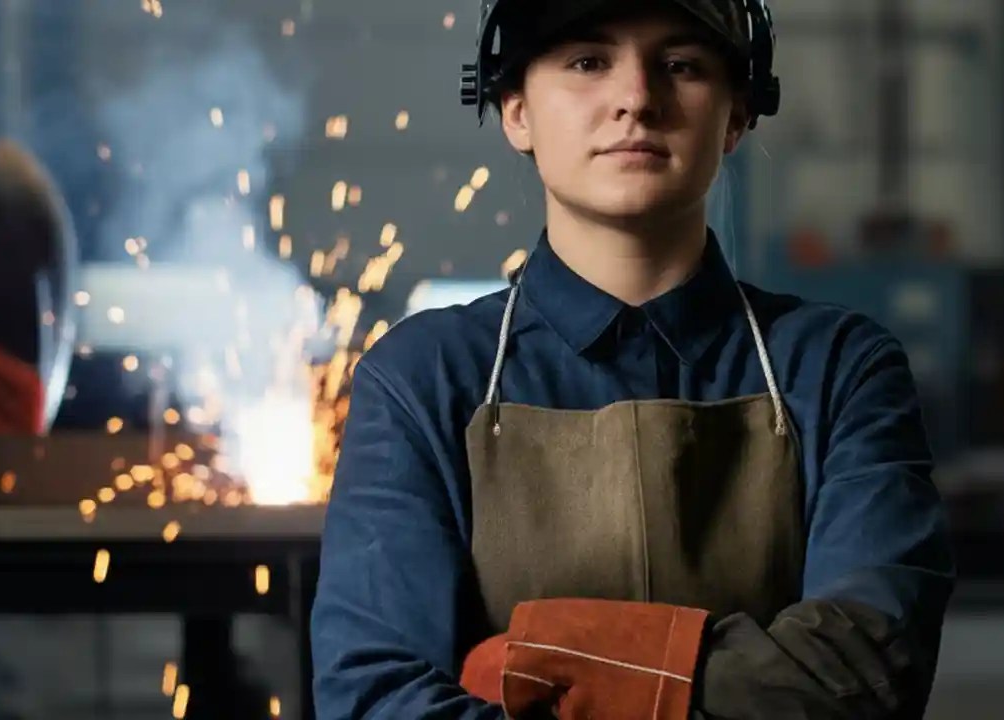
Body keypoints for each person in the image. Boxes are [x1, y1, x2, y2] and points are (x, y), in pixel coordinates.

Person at [311, 0, 955, 717]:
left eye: (680, 65)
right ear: (517, 112)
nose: (637, 99)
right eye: (588, 62)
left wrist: (566, 659)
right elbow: (374, 693)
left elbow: (866, 671)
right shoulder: (423, 378)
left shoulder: (839, 369)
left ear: (737, 115)